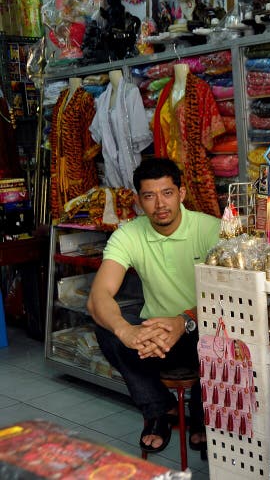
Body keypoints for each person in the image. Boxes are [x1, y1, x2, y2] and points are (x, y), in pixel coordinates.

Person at [88, 157, 221, 455]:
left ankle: (202, 413)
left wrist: (185, 320)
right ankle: (159, 409)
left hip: (201, 330)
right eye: (149, 196)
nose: (160, 204)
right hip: (154, 338)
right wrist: (127, 331)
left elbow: (231, 295)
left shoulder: (210, 230)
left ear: (181, 194)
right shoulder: (128, 234)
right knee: (106, 327)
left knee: (226, 334)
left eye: (167, 193)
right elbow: (99, 295)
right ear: (138, 201)